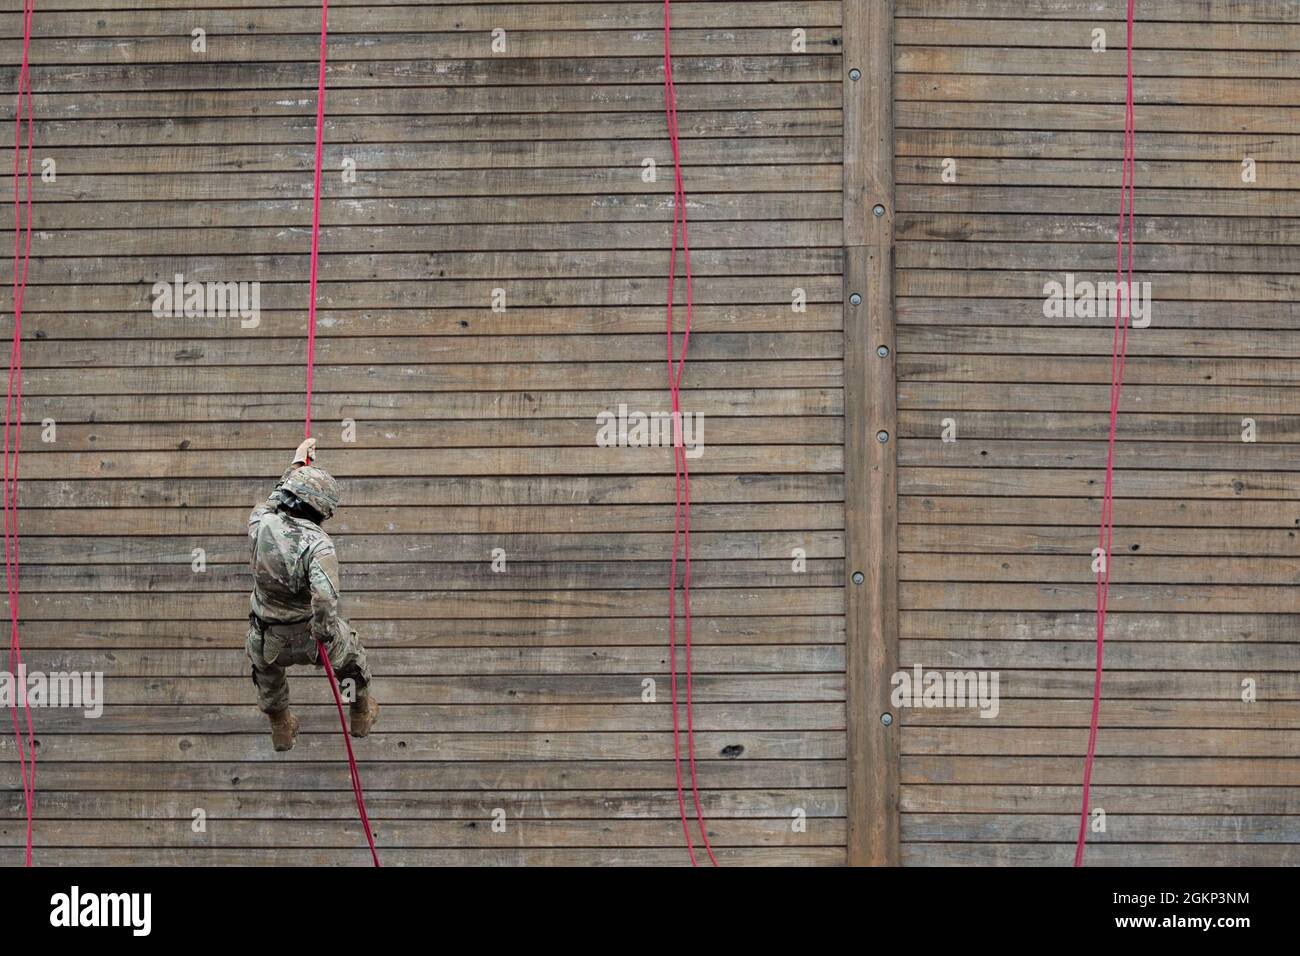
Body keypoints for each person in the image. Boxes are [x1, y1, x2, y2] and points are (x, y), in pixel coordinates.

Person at [245, 437, 378, 750]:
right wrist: (323, 632)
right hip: (310, 637)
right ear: (321, 510)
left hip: (268, 636)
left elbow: (277, 497)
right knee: (351, 658)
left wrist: (296, 466)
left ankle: (280, 726)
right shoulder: (319, 545)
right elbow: (324, 598)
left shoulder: (260, 522)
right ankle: (359, 710)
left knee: (267, 672)